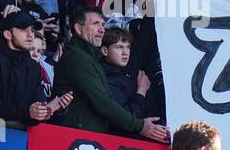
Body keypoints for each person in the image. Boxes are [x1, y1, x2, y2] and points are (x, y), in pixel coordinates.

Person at [54, 7, 169, 141]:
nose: (102, 29)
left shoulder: (91, 59)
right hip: (75, 140)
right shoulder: (78, 59)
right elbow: (103, 103)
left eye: (103, 24)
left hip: (88, 140)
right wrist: (141, 126)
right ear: (78, 29)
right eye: (95, 24)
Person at [0, 13, 73, 125]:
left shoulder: (34, 66)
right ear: (8, 34)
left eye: (32, 30)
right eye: (23, 29)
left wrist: (49, 109)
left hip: (20, 138)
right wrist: (27, 111)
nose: (30, 35)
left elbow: (35, 106)